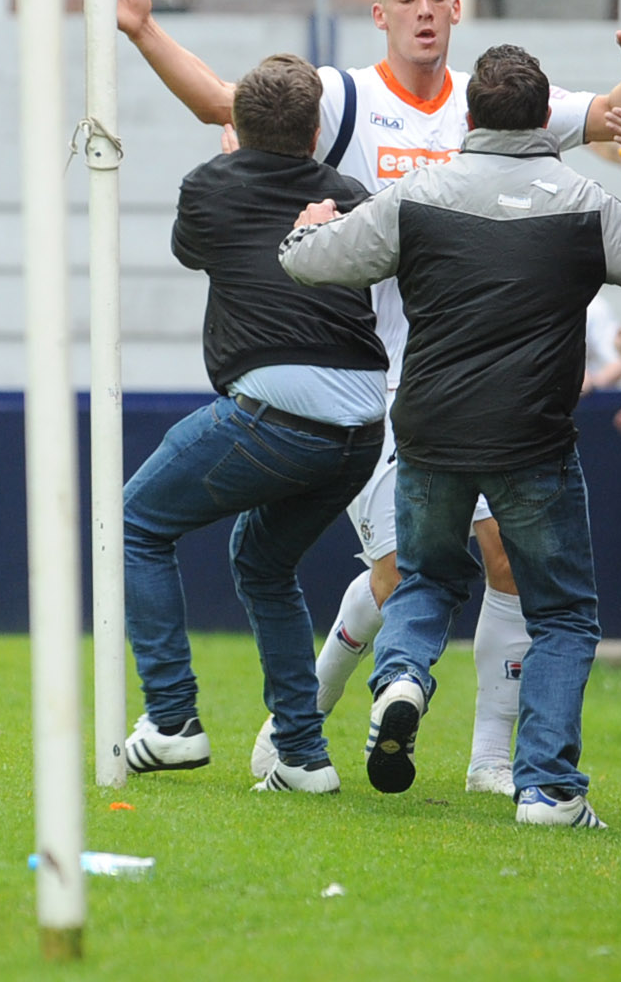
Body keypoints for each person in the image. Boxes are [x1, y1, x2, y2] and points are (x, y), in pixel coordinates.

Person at [116, 0, 621, 797]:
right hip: (377, 385)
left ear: (458, 8)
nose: (424, 9)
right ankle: (297, 731)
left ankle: (490, 761)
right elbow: (223, 104)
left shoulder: (495, 104)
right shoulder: (344, 100)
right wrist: (144, 31)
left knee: (498, 565)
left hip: (481, 383)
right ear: (380, 15)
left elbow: (615, 120)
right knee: (396, 578)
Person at [279, 44, 621, 828]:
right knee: (562, 615)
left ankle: (404, 677)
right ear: (545, 119)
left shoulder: (418, 195)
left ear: (471, 118)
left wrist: (303, 229)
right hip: (533, 443)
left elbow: (315, 264)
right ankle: (547, 789)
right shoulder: (588, 204)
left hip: (428, 432)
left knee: (423, 581)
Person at [120, 55, 387, 794]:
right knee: (265, 563)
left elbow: (190, 249)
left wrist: (233, 166)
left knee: (134, 523)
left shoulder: (210, 186)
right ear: (314, 132)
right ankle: (301, 755)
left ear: (235, 126)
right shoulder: (348, 191)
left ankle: (172, 720)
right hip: (364, 429)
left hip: (279, 415)